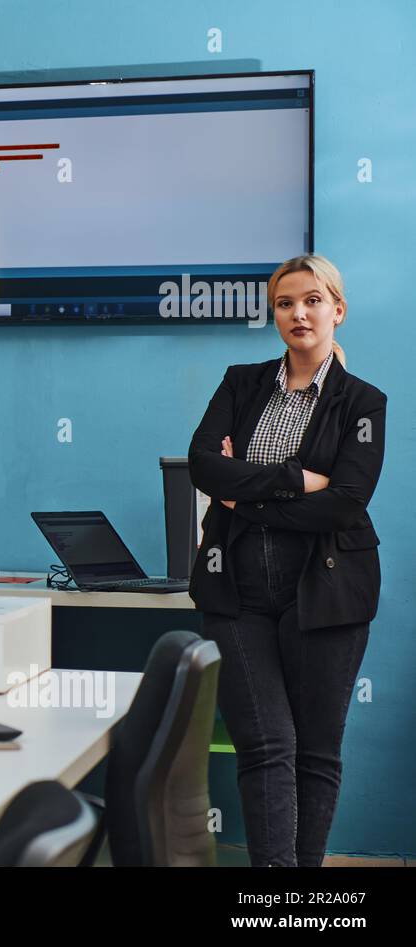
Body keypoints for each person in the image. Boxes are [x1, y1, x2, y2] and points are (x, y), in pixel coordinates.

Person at [188, 254, 385, 866]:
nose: (298, 313)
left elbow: (347, 503)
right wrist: (298, 480)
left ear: (337, 310)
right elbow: (204, 466)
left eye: (311, 300)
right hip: (236, 591)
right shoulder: (241, 382)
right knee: (266, 745)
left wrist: (244, 493)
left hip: (327, 592)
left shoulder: (363, 402)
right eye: (284, 303)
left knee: (315, 753)